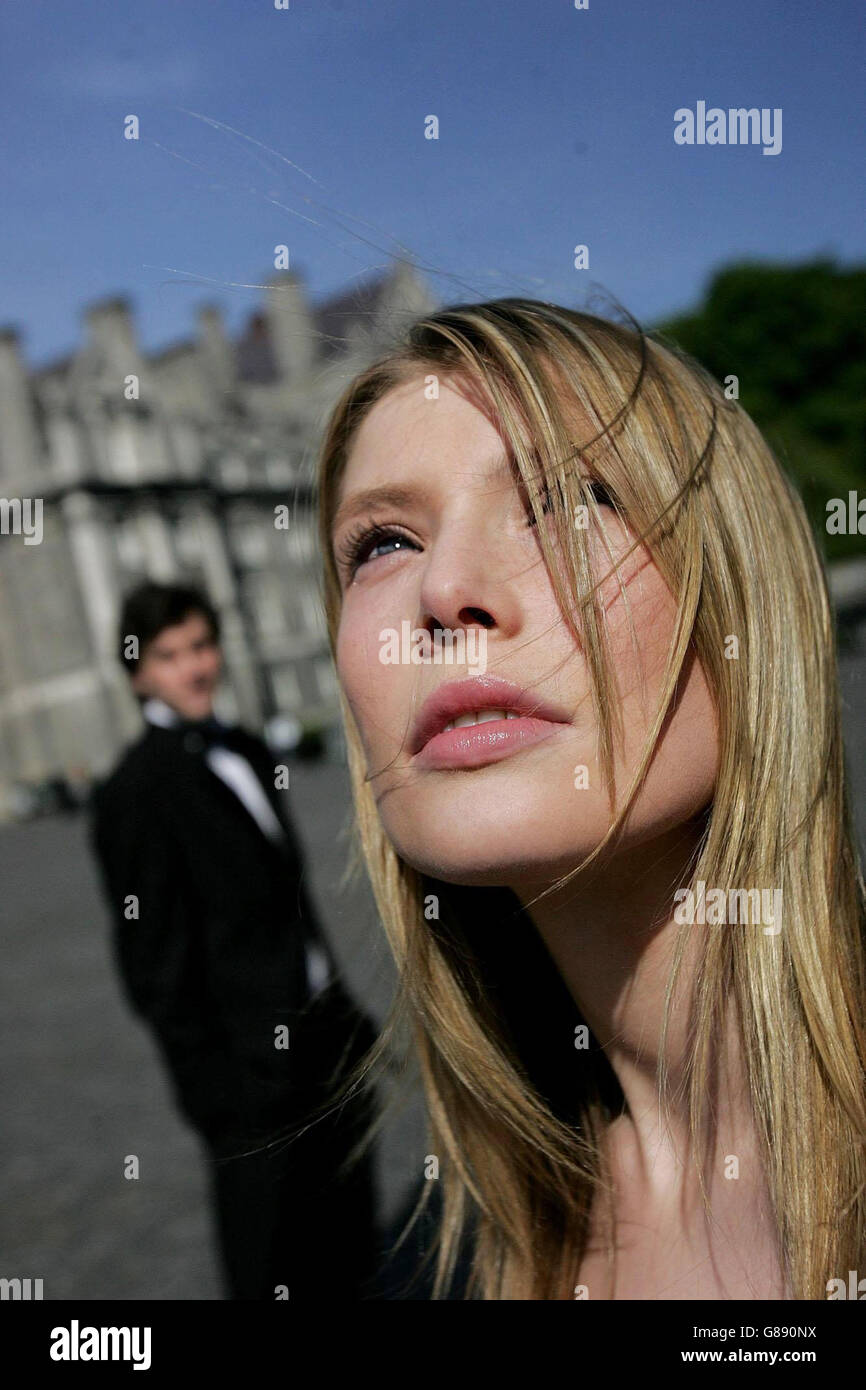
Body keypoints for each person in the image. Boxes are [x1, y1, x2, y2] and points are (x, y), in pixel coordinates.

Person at [312, 297, 866, 1300]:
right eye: (384, 542)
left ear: (742, 594)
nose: (445, 588)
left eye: (568, 495)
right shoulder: (435, 1262)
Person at [89, 581, 380, 1300]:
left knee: (352, 1251)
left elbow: (289, 908)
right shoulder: (135, 790)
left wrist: (343, 1013)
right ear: (137, 673)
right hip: (249, 1079)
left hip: (327, 1041)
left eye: (201, 646)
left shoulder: (248, 750)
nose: (194, 668)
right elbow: (152, 964)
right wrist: (217, 1096)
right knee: (271, 1264)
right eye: (169, 656)